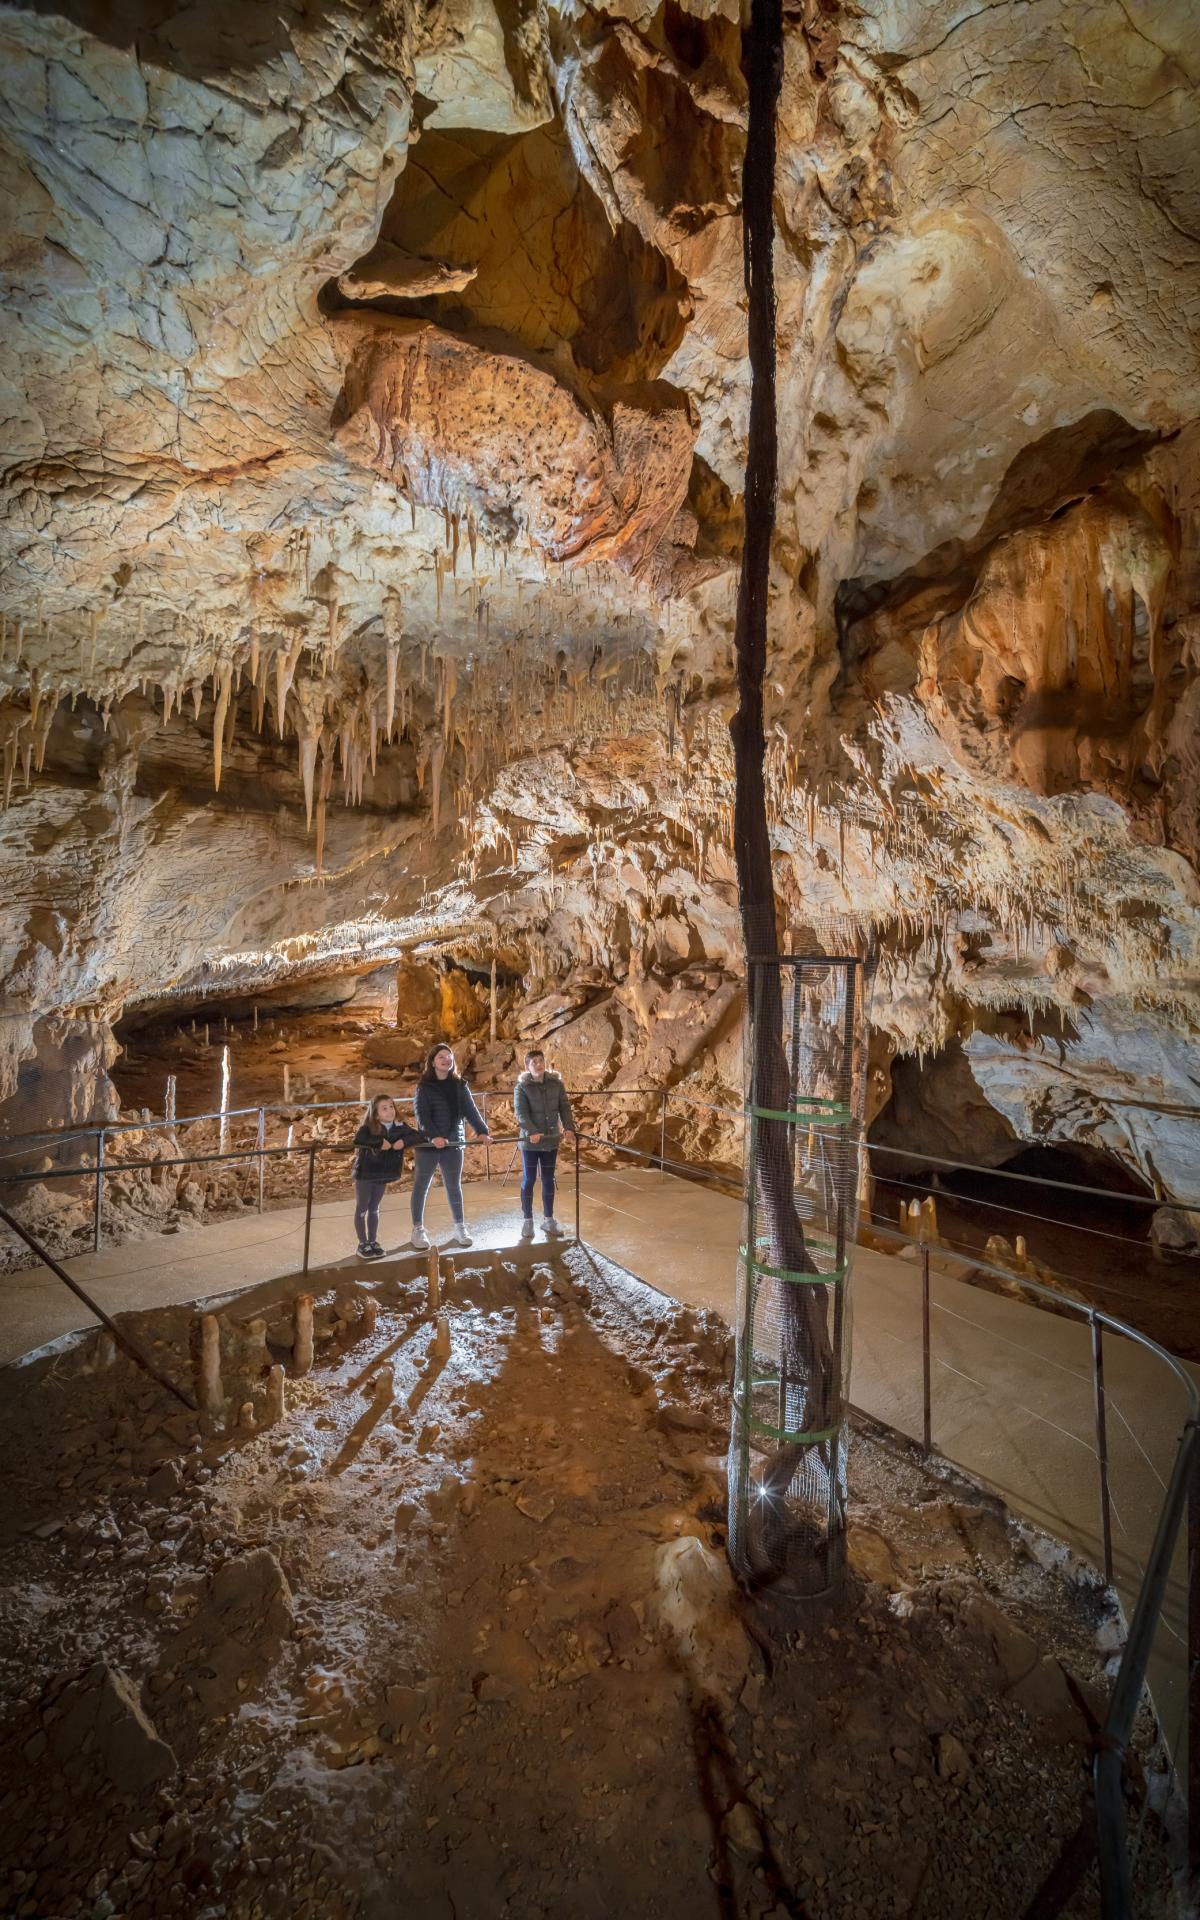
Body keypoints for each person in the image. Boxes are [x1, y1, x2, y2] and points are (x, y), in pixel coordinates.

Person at [410, 1043, 490, 1249]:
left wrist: (483, 1132)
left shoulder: (460, 1085)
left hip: (454, 1142)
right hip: (429, 1145)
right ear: (433, 1062)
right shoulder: (424, 1087)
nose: (446, 1060)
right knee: (422, 1185)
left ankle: (460, 1227)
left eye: (449, 1056)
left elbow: (471, 1111)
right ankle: (417, 1228)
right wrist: (434, 1136)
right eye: (441, 1057)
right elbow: (422, 1115)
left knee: (454, 1186)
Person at [352, 1093, 425, 1260]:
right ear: (376, 1114)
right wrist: (378, 1142)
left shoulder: (399, 1126)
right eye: (384, 1108)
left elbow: (418, 1135)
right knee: (362, 1207)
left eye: (391, 1107)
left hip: (382, 1175)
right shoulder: (369, 1127)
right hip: (366, 1173)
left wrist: (404, 1142)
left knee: (375, 1208)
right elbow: (359, 1138)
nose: (389, 1111)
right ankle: (362, 1243)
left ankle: (373, 1241)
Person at [513, 1047, 575, 1240]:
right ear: (527, 1066)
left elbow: (564, 1106)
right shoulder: (522, 1087)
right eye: (534, 1062)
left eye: (541, 1061)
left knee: (548, 1179)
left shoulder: (556, 1083)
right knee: (529, 1179)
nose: (539, 1065)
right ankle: (527, 1220)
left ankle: (548, 1219)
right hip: (531, 1143)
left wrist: (568, 1127)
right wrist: (531, 1131)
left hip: (550, 1140)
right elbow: (521, 1112)